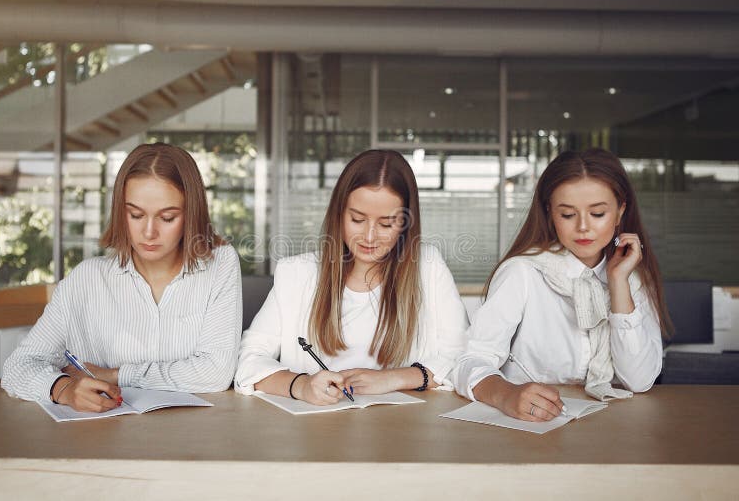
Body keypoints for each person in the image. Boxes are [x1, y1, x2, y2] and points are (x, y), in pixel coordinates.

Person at [1, 143, 242, 412]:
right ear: (120, 210)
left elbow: (216, 373)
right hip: (102, 437)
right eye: (135, 214)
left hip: (191, 441)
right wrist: (64, 389)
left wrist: (114, 375)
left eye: (167, 217)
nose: (149, 232)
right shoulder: (88, 279)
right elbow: (17, 367)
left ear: (191, 214)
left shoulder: (219, 263)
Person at [452, 148, 672, 422]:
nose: (583, 227)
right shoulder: (523, 272)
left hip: (613, 427)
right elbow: (469, 362)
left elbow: (639, 381)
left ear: (620, 213)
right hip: (531, 426)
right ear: (550, 214)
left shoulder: (633, 278)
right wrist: (506, 394)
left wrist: (618, 283)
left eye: (598, 213)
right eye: (567, 215)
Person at [235, 150, 469, 404]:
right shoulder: (295, 274)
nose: (369, 237)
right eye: (357, 219)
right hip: (316, 431)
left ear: (405, 224)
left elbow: (466, 358)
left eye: (386, 224)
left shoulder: (428, 267)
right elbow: (249, 360)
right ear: (339, 214)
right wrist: (301, 386)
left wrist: (394, 378)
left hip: (405, 430)